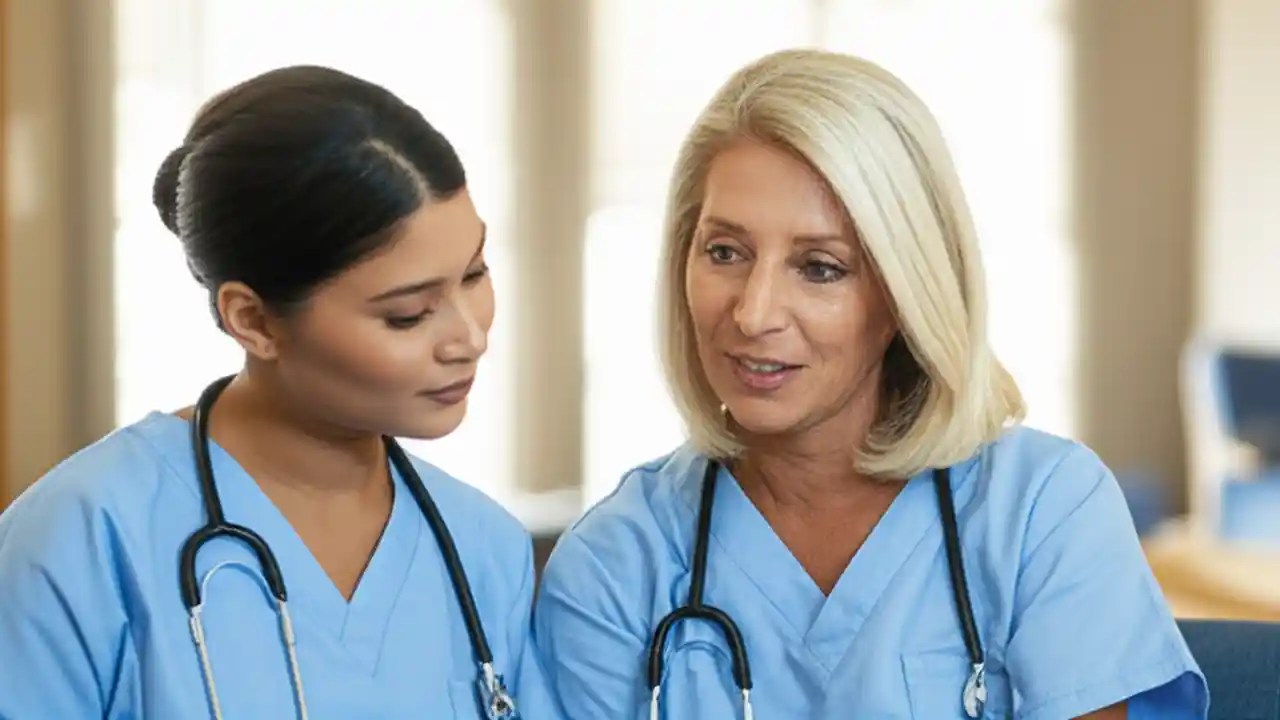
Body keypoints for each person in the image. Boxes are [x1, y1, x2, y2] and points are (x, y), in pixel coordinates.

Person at [535, 49, 1208, 719]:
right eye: (725, 252)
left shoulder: (1042, 511)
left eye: (821, 267)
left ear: (903, 294)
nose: (754, 311)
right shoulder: (614, 565)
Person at [0, 65, 556, 719]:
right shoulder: (82, 537)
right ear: (253, 320)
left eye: (475, 274)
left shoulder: (481, 547)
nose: (468, 337)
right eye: (408, 314)